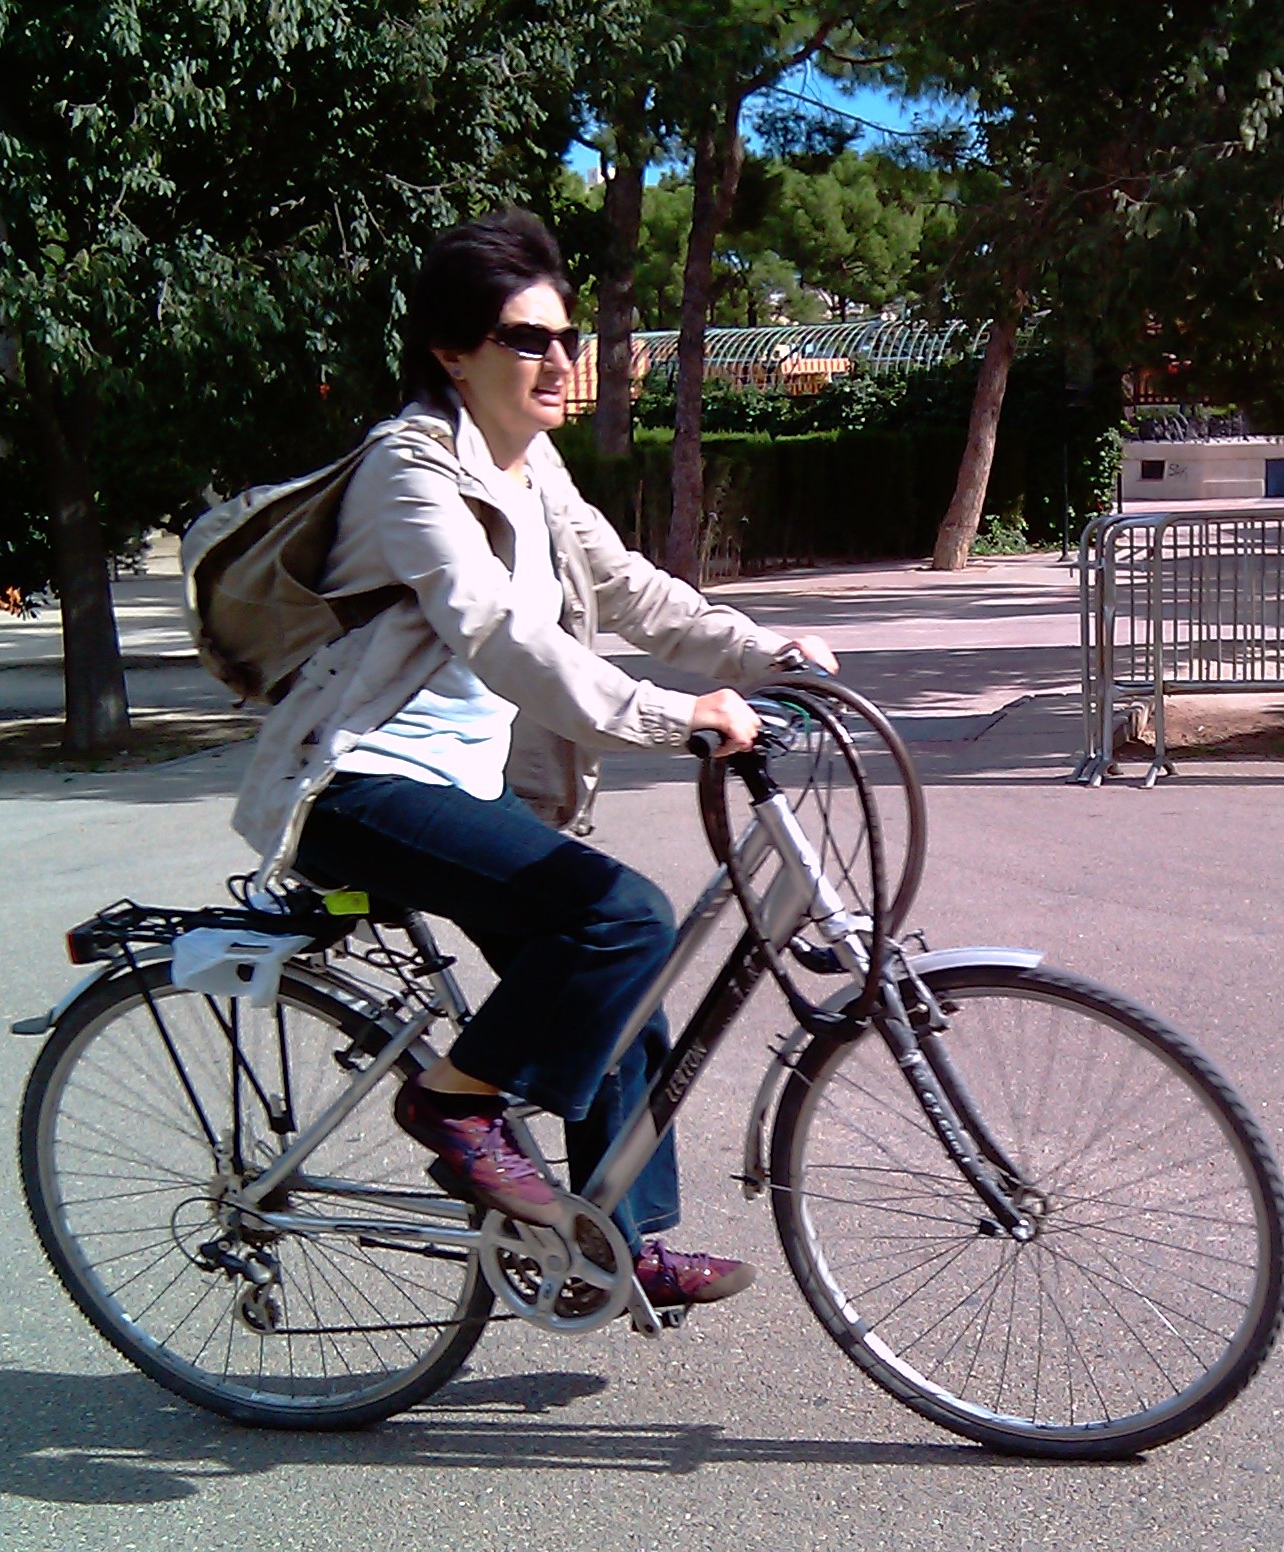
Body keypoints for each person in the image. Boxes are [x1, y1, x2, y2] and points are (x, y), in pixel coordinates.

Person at [228, 209, 833, 1306]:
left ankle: (615, 1249)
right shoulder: (408, 470)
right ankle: (451, 1102)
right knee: (625, 918)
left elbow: (628, 589)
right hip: (357, 789)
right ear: (452, 353)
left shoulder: (532, 464)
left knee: (625, 986)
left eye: (567, 338)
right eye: (525, 339)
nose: (559, 361)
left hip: (463, 790)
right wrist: (673, 716)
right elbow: (499, 632)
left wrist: (766, 655)